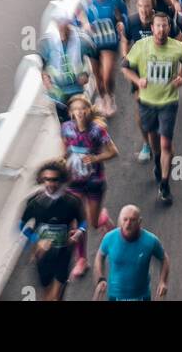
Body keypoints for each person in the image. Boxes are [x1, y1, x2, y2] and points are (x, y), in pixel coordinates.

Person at [121, 12, 182, 205]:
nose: (161, 29)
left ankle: (165, 185)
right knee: (154, 143)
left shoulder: (178, 48)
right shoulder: (141, 46)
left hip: (168, 102)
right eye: (157, 26)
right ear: (152, 28)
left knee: (167, 144)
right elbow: (125, 66)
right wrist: (137, 80)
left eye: (164, 26)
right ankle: (158, 163)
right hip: (147, 103)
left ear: (169, 27)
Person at [60, 95, 118, 279]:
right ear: (70, 112)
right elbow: (65, 149)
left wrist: (95, 158)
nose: (79, 112)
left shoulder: (97, 131)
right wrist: (63, 163)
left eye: (83, 108)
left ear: (88, 110)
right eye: (75, 109)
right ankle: (82, 260)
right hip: (74, 182)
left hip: (94, 181)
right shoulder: (66, 128)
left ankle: (103, 218)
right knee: (77, 222)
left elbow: (113, 152)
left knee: (92, 223)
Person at [123, 0, 182, 161]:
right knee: (141, 112)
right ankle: (147, 144)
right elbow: (125, 40)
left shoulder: (162, 22)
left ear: (153, 6)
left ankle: (164, 139)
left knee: (163, 109)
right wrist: (125, 56)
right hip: (141, 74)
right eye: (140, 6)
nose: (143, 10)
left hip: (163, 73)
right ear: (136, 6)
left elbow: (181, 42)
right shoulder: (132, 21)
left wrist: (178, 72)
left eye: (147, 6)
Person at [19, 159, 83, 302]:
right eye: (47, 179)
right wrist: (37, 239)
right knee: (47, 294)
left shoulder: (72, 202)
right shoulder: (34, 203)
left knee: (57, 295)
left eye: (54, 180)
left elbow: (82, 222)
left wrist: (79, 232)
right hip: (42, 255)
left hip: (64, 253)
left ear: (62, 180)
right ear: (42, 180)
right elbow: (21, 226)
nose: (50, 184)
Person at [94, 205, 169, 302]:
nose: (128, 224)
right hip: (115, 296)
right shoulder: (109, 238)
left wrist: (163, 281)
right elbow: (99, 256)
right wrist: (100, 278)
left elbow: (164, 258)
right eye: (125, 219)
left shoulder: (150, 241)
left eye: (132, 220)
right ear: (120, 220)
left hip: (141, 296)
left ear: (139, 221)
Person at [78, 0, 127, 115]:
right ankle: (102, 97)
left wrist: (121, 22)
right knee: (97, 75)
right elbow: (78, 18)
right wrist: (84, 24)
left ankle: (110, 96)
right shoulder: (87, 0)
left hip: (109, 42)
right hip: (93, 43)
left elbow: (123, 13)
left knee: (107, 75)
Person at [36, 15, 96, 123]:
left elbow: (92, 57)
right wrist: (46, 80)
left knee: (81, 122)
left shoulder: (81, 40)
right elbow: (41, 65)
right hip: (57, 94)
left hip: (76, 89)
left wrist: (86, 74)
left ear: (68, 24)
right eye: (58, 25)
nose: (61, 28)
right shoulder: (47, 43)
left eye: (63, 24)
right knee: (67, 126)